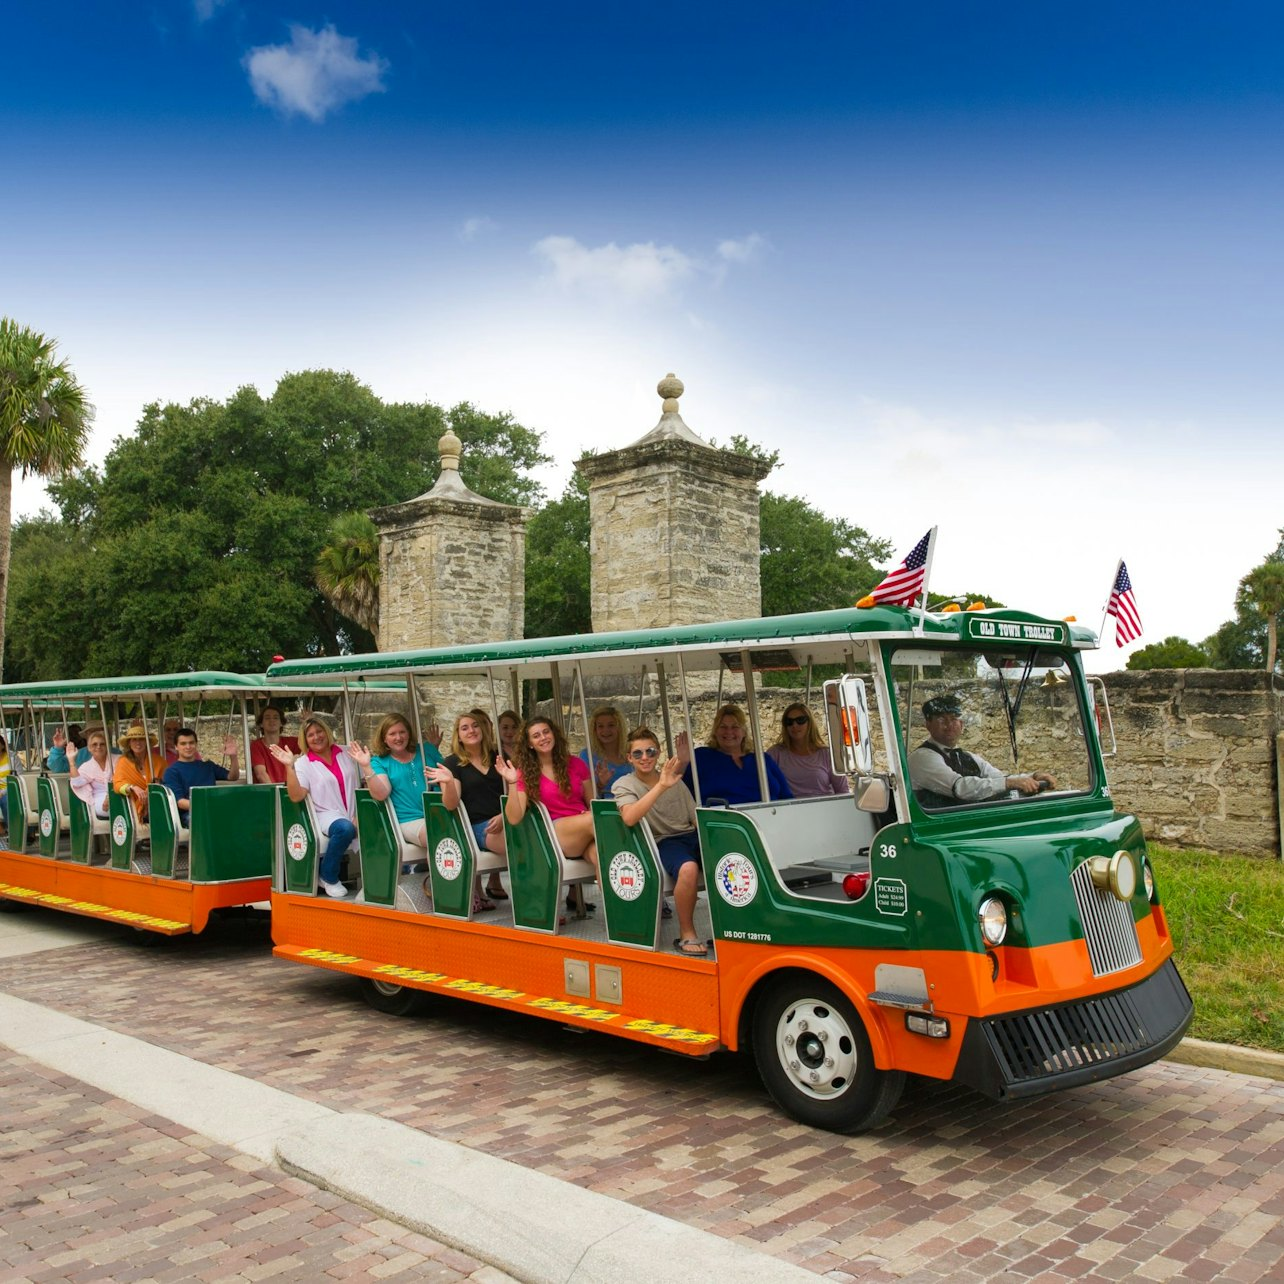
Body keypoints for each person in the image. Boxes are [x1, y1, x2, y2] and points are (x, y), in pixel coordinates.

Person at [612, 727, 706, 957]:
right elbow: (630, 817)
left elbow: (694, 817)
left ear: (658, 752)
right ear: (629, 758)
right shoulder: (624, 784)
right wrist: (661, 786)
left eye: (650, 752)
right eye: (638, 753)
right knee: (688, 868)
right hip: (662, 841)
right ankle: (687, 932)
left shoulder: (675, 780)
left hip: (690, 836)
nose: (644, 758)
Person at [497, 717, 598, 907]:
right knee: (597, 821)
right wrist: (511, 782)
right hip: (555, 831)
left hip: (584, 829)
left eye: (546, 732)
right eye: (536, 736)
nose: (543, 737)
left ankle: (618, 917)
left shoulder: (576, 764)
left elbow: (592, 802)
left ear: (554, 734)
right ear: (529, 744)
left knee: (603, 857)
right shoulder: (525, 772)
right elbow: (514, 817)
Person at [908, 694, 1057, 810]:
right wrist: (1010, 783)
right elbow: (960, 788)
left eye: (953, 719)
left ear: (961, 724)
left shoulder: (968, 756)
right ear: (928, 725)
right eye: (941, 720)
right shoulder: (921, 758)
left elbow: (998, 777)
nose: (949, 725)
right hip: (938, 830)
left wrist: (1032, 777)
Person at [427, 711, 507, 913]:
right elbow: (451, 804)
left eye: (475, 725)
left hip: (506, 819)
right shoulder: (453, 763)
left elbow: (515, 789)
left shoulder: (499, 757)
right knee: (518, 844)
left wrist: (505, 815)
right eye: (465, 728)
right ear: (458, 735)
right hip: (479, 826)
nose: (471, 730)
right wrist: (447, 782)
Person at [271, 719, 359, 898]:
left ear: (327, 731)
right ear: (305, 740)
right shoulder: (304, 763)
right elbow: (296, 796)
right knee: (345, 828)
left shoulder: (345, 752)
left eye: (319, 731)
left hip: (353, 810)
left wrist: (358, 814)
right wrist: (290, 767)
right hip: (326, 815)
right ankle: (328, 875)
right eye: (310, 735)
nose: (316, 737)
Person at [348, 714, 443, 861]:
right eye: (392, 734)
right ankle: (438, 882)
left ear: (409, 733)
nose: (398, 737)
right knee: (437, 833)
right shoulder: (379, 762)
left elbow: (447, 773)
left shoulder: (427, 750)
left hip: (438, 813)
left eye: (402, 732)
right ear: (384, 738)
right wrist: (366, 767)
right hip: (409, 820)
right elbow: (381, 793)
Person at [682, 704, 792, 806]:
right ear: (715, 731)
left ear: (744, 732)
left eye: (735, 727)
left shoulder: (762, 759)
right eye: (723, 727)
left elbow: (787, 796)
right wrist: (682, 763)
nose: (729, 732)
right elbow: (681, 793)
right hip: (724, 821)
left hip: (770, 817)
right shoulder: (702, 757)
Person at [767, 703, 850, 798]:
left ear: (810, 723)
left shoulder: (827, 754)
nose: (794, 725)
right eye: (789, 722)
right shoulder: (775, 754)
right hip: (788, 809)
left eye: (800, 720)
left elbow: (843, 791)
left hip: (824, 808)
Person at [162, 728, 240, 826]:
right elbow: (180, 802)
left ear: (196, 745)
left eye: (191, 743)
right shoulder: (171, 771)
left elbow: (232, 776)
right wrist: (207, 806)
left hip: (213, 810)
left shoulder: (208, 766)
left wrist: (233, 756)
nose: (188, 747)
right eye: (183, 744)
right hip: (191, 814)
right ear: (176, 747)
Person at [113, 724, 169, 822]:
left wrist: (153, 788)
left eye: (141, 739)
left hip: (156, 803)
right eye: (134, 740)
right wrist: (133, 787)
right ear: (129, 743)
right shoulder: (123, 761)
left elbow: (167, 782)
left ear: (147, 742)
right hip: (133, 806)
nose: (138, 743)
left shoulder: (159, 761)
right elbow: (117, 785)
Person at [578, 705, 632, 797]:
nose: (605, 730)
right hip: (604, 807)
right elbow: (584, 795)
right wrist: (601, 784)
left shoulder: (631, 751)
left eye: (611, 725)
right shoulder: (587, 756)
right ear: (595, 730)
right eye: (600, 726)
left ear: (619, 728)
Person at [69, 728, 119, 818]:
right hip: (100, 802)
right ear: (89, 748)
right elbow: (76, 783)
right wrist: (71, 761)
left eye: (102, 744)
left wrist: (110, 796)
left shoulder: (118, 759)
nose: (98, 747)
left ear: (107, 746)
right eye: (94, 744)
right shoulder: (87, 766)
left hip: (120, 795)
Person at [250, 705, 300, 785]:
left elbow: (311, 750)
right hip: (269, 792)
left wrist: (308, 722)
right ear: (261, 724)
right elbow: (261, 774)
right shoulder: (256, 745)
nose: (272, 720)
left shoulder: (293, 742)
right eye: (267, 718)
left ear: (281, 723)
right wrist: (275, 793)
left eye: (276, 718)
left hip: (290, 791)